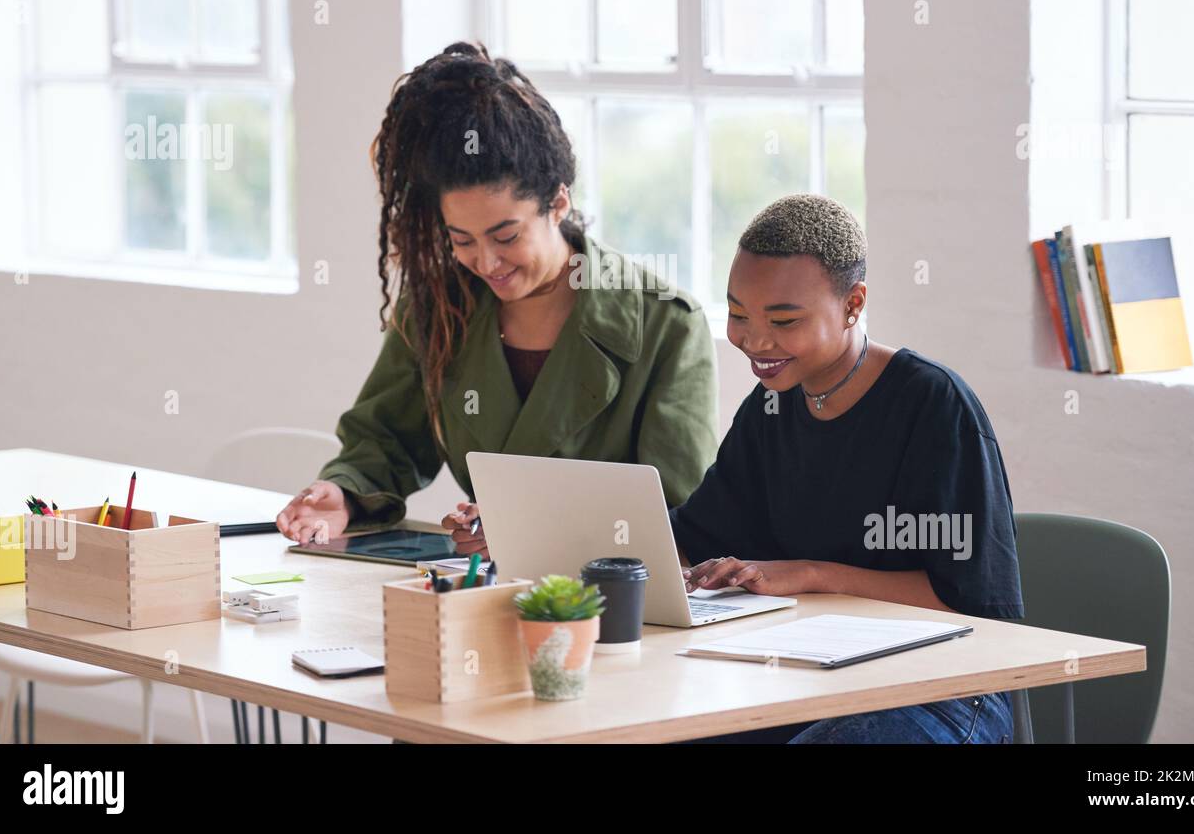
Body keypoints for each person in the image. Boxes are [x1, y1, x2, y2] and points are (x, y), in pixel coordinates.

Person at [276, 42, 718, 553]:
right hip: (479, 589)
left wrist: (537, 522)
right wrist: (344, 492)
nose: (486, 262)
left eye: (506, 236)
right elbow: (386, 442)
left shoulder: (667, 325)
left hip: (613, 606)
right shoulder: (439, 307)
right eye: (462, 240)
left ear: (558, 202)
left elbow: (680, 511)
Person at [669, 194, 1023, 744]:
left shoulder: (933, 407)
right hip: (807, 676)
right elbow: (691, 539)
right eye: (738, 314)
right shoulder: (770, 407)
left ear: (853, 305)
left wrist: (811, 574)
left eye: (784, 320)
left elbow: (970, 608)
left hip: (940, 685)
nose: (754, 341)